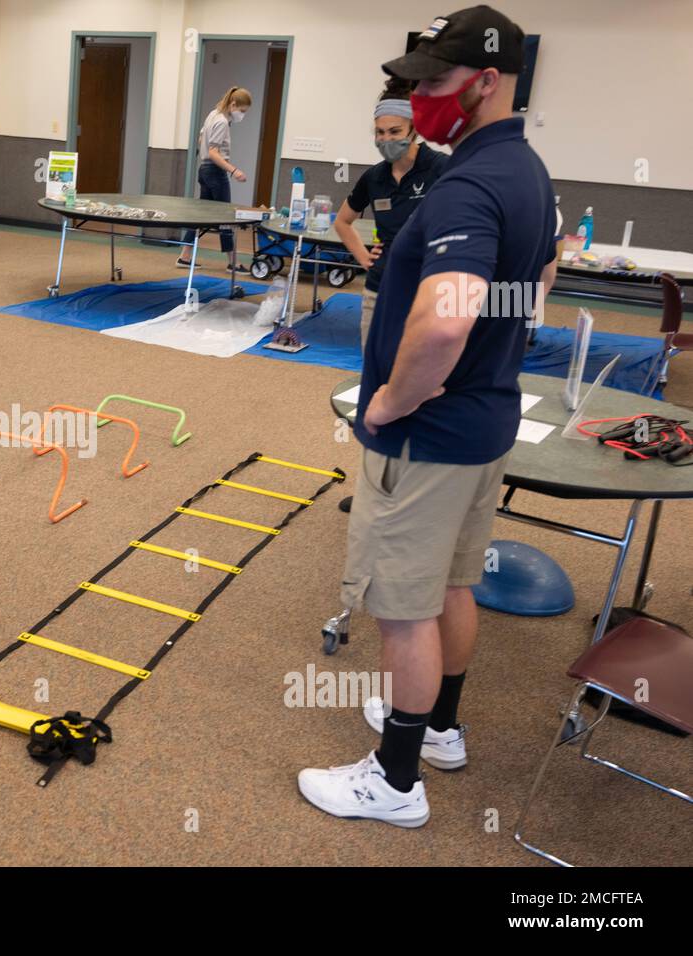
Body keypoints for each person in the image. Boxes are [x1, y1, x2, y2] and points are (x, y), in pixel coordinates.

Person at [297, 4, 558, 829]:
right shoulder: (525, 169)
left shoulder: (470, 184)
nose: (422, 100)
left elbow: (447, 317)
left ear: (486, 83)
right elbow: (537, 281)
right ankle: (439, 729)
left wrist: (389, 400)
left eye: (437, 82)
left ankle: (396, 780)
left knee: (403, 609)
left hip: (430, 438)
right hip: (485, 429)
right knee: (452, 583)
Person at [335, 77, 449, 348]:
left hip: (427, 291)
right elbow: (342, 222)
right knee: (373, 369)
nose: (385, 139)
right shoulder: (374, 177)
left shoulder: (441, 169)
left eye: (394, 131)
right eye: (379, 132)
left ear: (414, 130)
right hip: (380, 288)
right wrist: (364, 258)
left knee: (419, 376)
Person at [174, 86, 251, 271]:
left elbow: (201, 140)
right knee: (226, 217)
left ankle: (184, 256)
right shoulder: (223, 122)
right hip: (215, 172)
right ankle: (233, 262)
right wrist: (234, 171)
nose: (242, 115)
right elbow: (214, 153)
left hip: (204, 170)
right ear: (233, 104)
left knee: (201, 216)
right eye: (242, 111)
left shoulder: (213, 114)